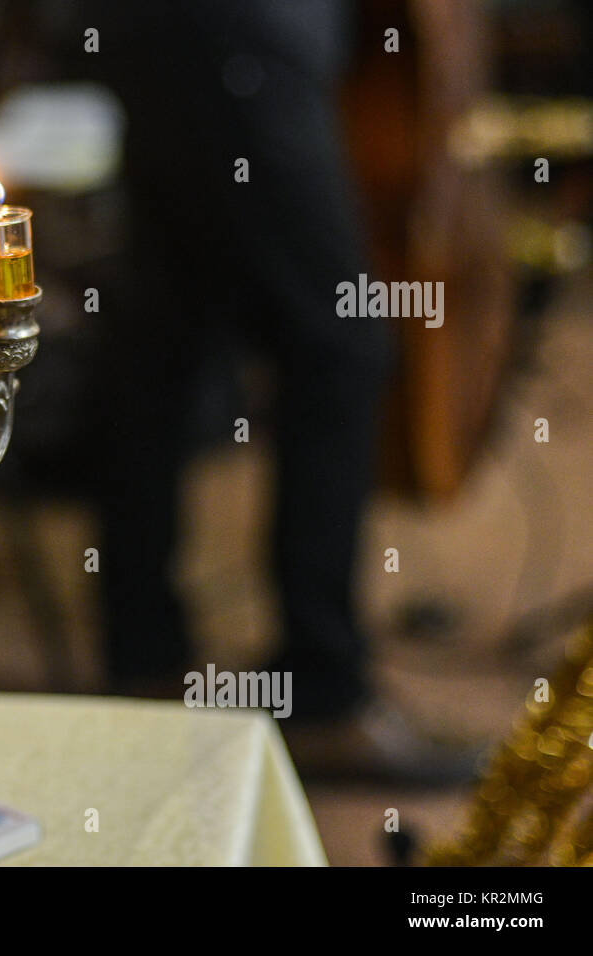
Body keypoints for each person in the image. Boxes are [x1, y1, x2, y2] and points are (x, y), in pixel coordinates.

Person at [92, 0, 474, 782]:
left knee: (166, 333)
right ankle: (323, 696)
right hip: (239, 33)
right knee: (342, 344)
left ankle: (145, 664)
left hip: (180, 33)